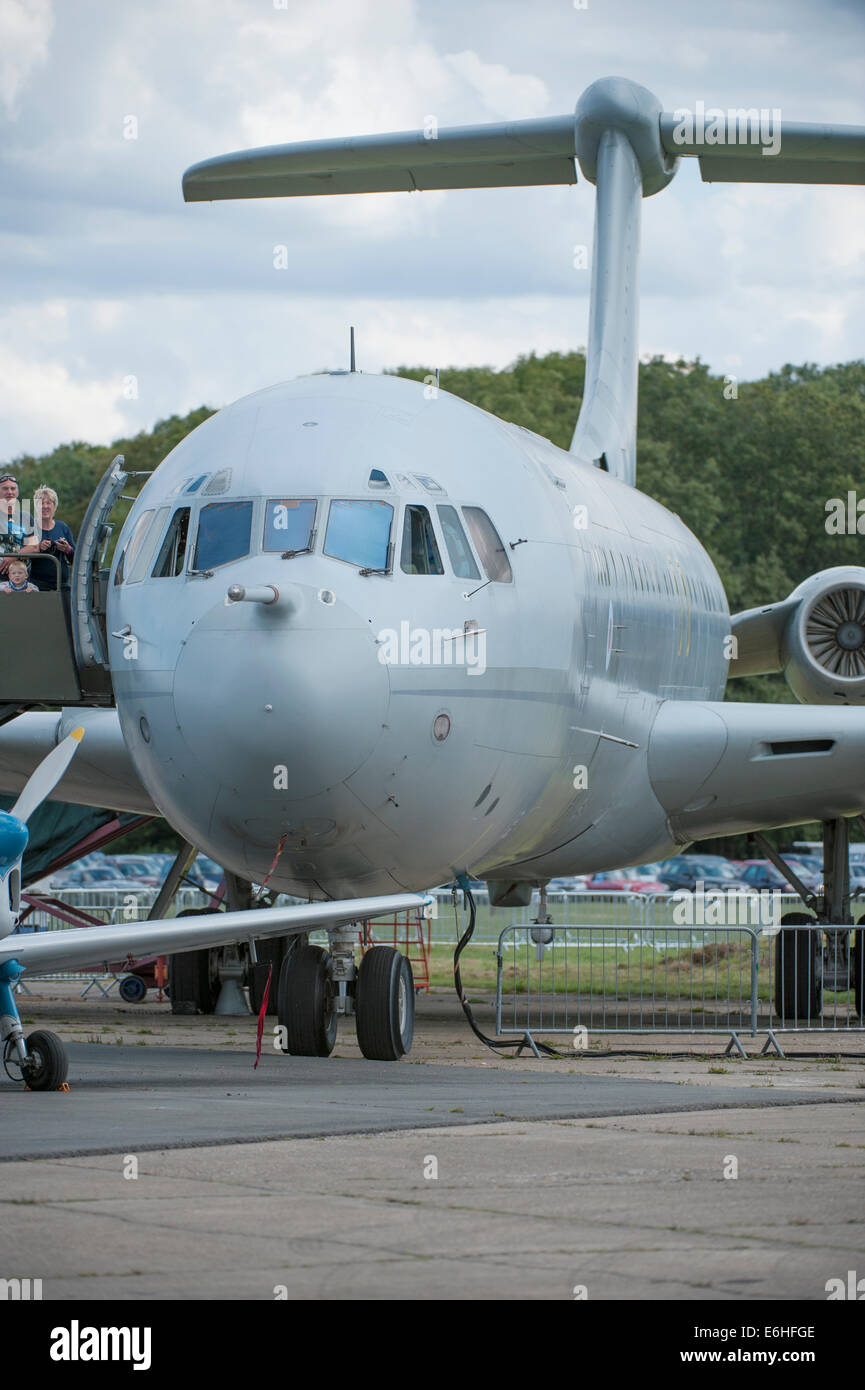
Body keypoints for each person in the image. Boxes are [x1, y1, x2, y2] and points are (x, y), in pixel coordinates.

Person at [21, 486, 75, 592]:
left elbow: (75, 558)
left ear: (54, 506)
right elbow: (23, 557)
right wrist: (39, 548)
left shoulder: (63, 527)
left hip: (62, 585)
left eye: (48, 503)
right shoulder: (30, 528)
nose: (45, 506)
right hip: (36, 586)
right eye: (41, 503)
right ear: (36, 506)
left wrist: (67, 549)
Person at [0, 474, 32, 575]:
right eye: (5, 489)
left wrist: (14, 556)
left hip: (22, 582)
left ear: (17, 492)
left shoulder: (26, 517)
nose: (9, 492)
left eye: (13, 488)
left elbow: (34, 546)